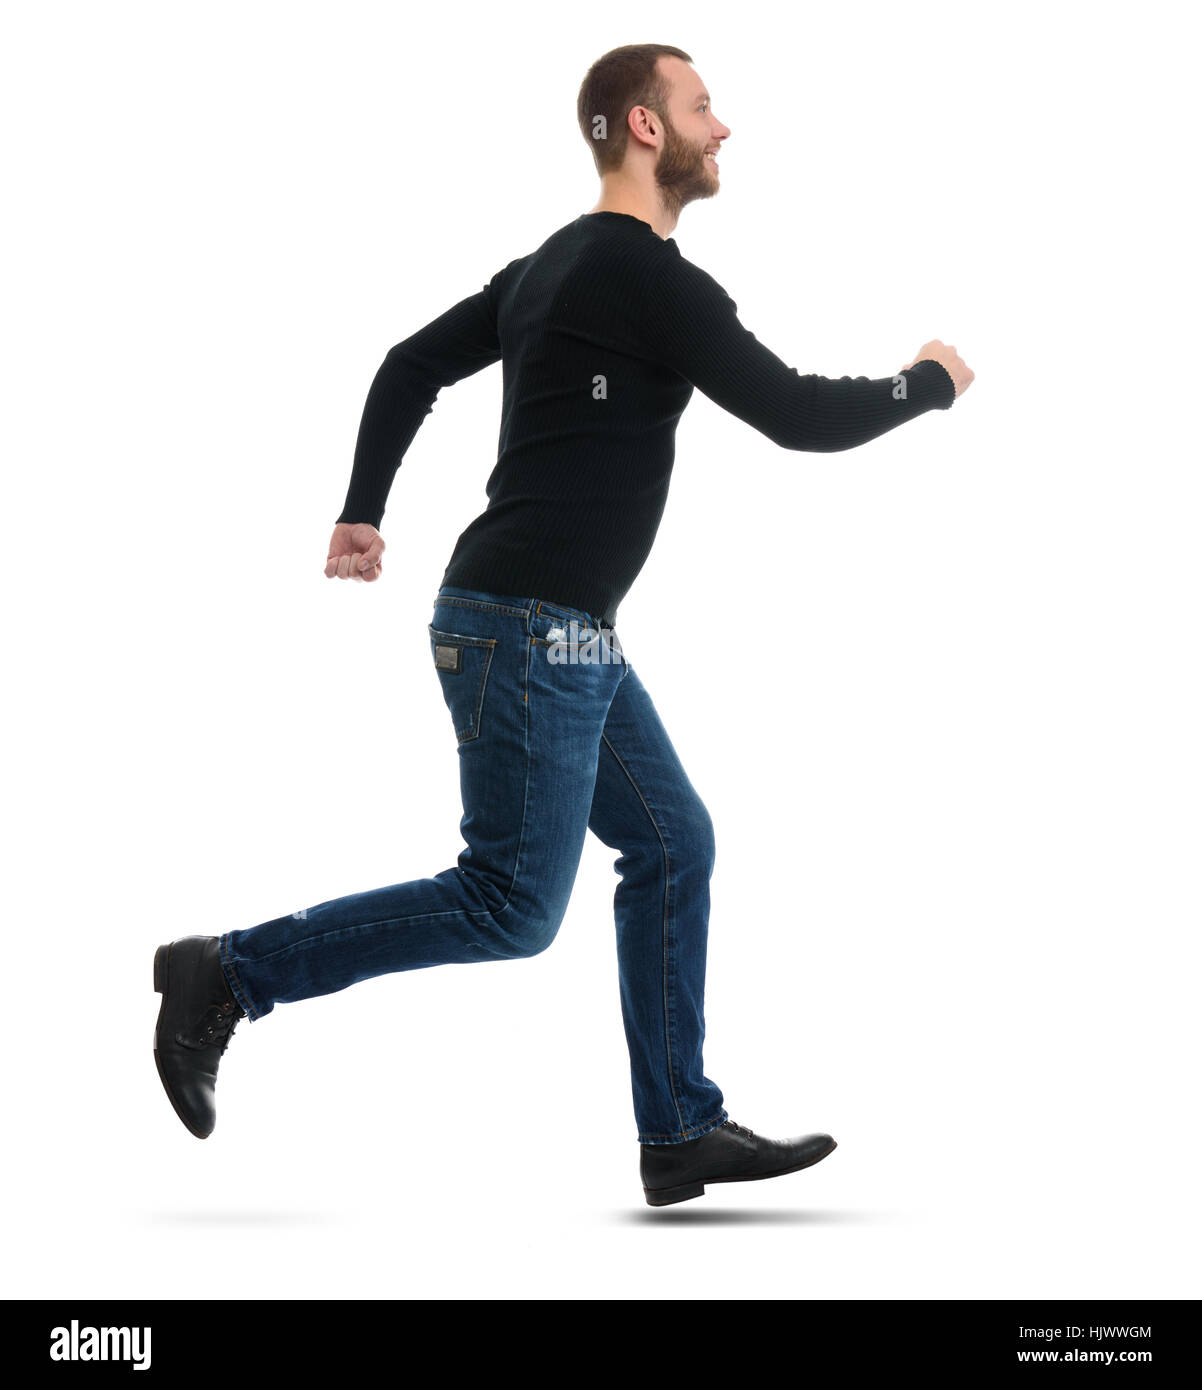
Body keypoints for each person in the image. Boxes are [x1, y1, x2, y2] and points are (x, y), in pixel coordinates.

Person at [153, 43, 973, 1207]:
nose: (722, 128)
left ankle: (678, 1128)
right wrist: (925, 381)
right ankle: (224, 974)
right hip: (524, 630)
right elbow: (792, 412)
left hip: (557, 628)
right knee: (507, 904)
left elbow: (405, 365)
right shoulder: (644, 276)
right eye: (702, 107)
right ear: (643, 127)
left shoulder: (548, 268)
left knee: (673, 841)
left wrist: (362, 511)